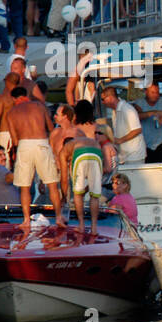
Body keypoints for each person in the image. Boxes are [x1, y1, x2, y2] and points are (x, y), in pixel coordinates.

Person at [7, 85, 63, 233]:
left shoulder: (11, 112)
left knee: (25, 186)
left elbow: (14, 140)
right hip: (41, 143)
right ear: (26, 95)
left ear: (15, 99)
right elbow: (51, 128)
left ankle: (26, 220)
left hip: (24, 145)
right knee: (52, 184)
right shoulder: (40, 106)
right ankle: (58, 217)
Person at [63, 100, 105, 235]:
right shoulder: (96, 127)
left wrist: (64, 196)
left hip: (80, 155)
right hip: (97, 152)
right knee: (95, 194)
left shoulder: (72, 135)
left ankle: (81, 225)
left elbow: (64, 177)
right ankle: (94, 228)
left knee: (78, 193)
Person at [99, 85, 146, 165]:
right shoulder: (115, 111)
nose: (102, 102)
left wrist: (120, 140)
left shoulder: (127, 109)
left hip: (134, 156)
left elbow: (137, 129)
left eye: (103, 99)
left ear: (110, 98)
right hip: (123, 156)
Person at [134, 79, 162, 163]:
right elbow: (137, 116)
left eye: (157, 92)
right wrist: (153, 112)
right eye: (153, 92)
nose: (156, 95)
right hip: (145, 144)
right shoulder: (139, 103)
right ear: (146, 92)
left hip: (161, 144)